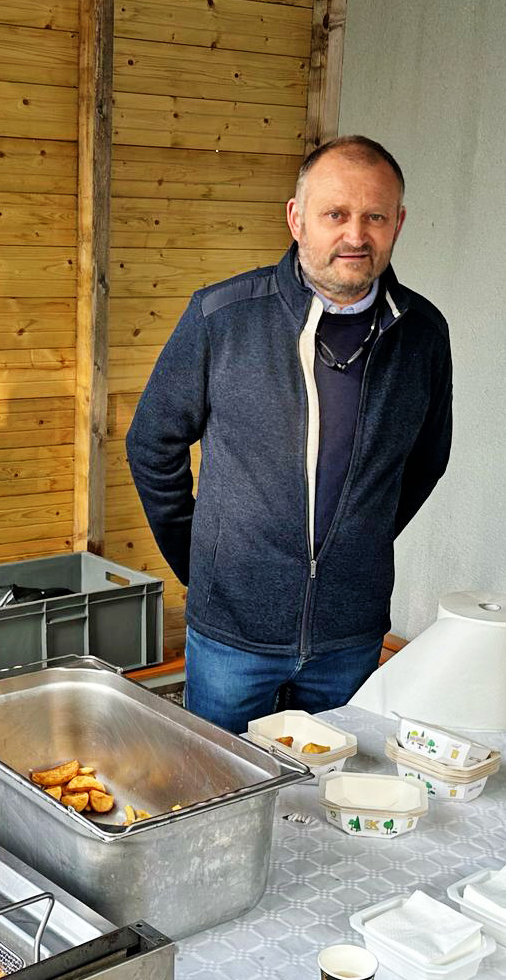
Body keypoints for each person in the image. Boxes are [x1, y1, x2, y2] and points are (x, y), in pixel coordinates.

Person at [125, 136, 452, 732]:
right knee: (222, 796)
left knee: (329, 803)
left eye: (375, 216)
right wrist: (204, 561)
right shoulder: (221, 317)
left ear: (398, 222)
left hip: (349, 637)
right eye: (335, 214)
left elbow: (427, 460)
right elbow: (152, 444)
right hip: (233, 637)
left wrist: (357, 544)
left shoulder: (423, 332)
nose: (356, 235)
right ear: (297, 219)